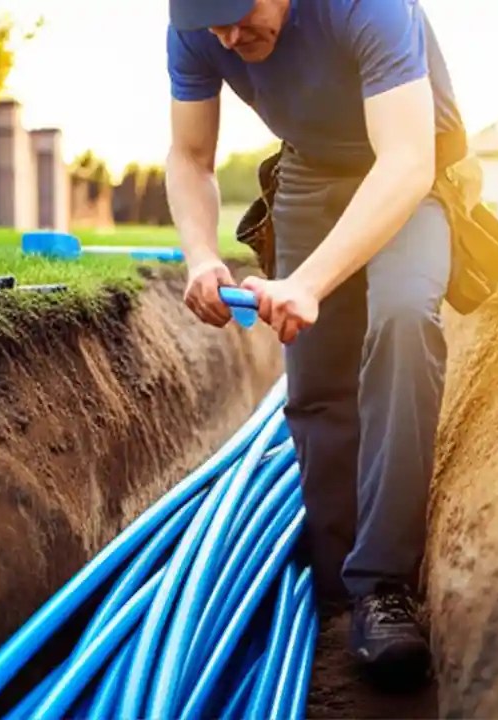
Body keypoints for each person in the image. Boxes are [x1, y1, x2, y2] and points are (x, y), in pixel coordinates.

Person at [164, 0, 465, 681]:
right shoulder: (196, 29)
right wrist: (201, 257)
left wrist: (309, 281)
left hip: (407, 175)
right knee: (318, 371)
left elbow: (407, 161)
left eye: (241, 15)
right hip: (308, 170)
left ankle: (383, 585)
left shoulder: (366, 7)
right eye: (213, 26)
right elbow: (188, 155)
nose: (230, 38)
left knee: (402, 317)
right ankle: (335, 578)